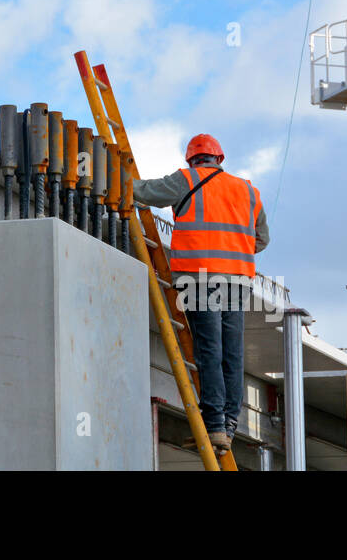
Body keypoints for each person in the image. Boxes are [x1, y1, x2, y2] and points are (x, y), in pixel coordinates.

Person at [132, 134, 269, 455]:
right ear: (219, 159)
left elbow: (142, 191)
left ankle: (216, 426)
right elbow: (261, 239)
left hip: (197, 279)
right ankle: (229, 424)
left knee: (208, 351)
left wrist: (103, 172)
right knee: (230, 353)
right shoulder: (247, 190)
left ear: (191, 159)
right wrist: (230, 248)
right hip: (236, 281)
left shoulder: (186, 180)